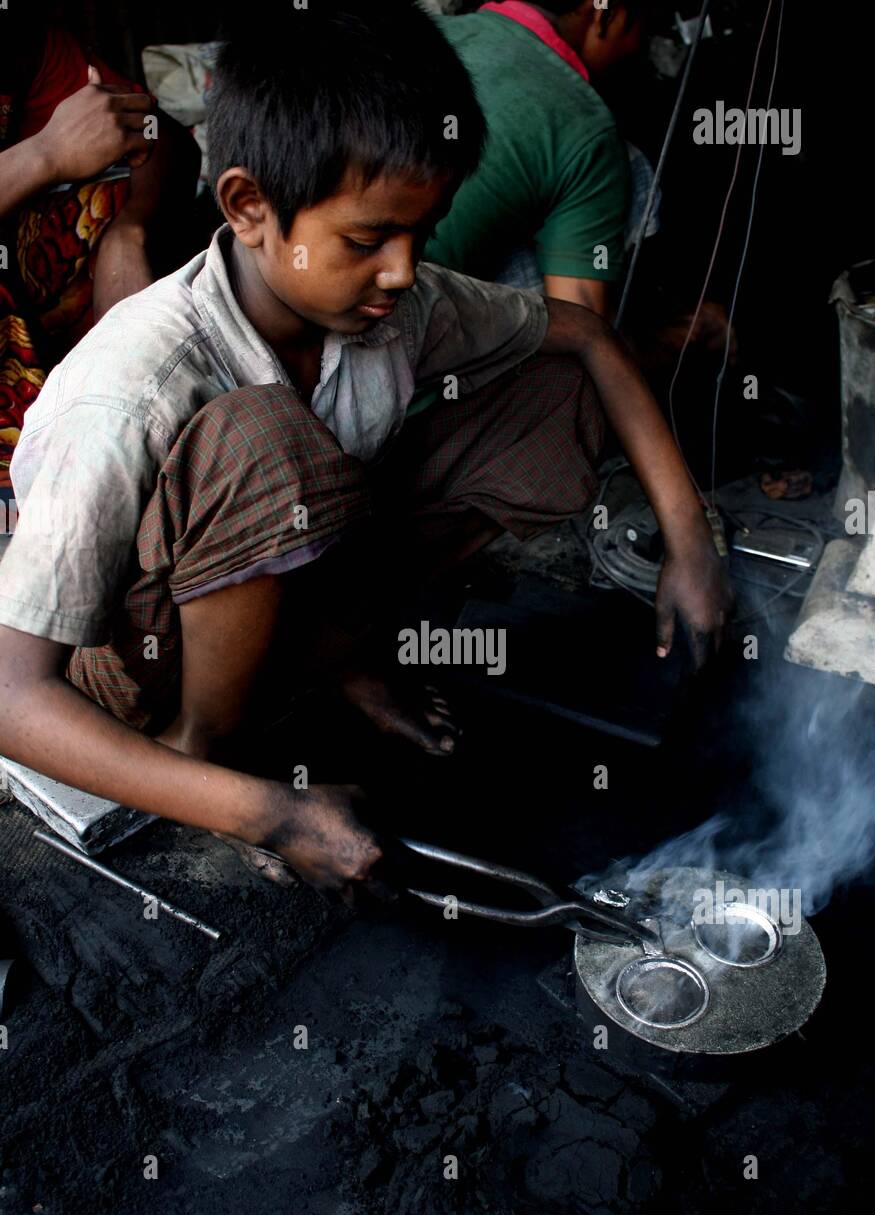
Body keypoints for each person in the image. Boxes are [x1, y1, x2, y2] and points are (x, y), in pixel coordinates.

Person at [0, 1, 729, 895]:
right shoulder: (139, 380)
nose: (402, 270)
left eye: (420, 235)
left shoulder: (391, 305)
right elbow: (11, 696)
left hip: (293, 590)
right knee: (263, 439)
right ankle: (206, 759)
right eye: (367, 239)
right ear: (248, 206)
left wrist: (689, 541)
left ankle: (334, 656)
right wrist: (268, 812)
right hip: (134, 664)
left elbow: (586, 337)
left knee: (555, 391)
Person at [0, 18, 200, 488]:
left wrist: (131, 231)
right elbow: (56, 150)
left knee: (105, 202)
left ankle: (122, 429)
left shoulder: (17, 39)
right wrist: (43, 157)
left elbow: (152, 134)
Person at [424, 0, 652, 322]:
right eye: (643, 29)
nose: (639, 48)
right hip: (396, 328)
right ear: (605, 14)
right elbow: (582, 323)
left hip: (346, 290)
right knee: (635, 169)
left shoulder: (426, 31)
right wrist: (671, 345)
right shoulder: (588, 127)